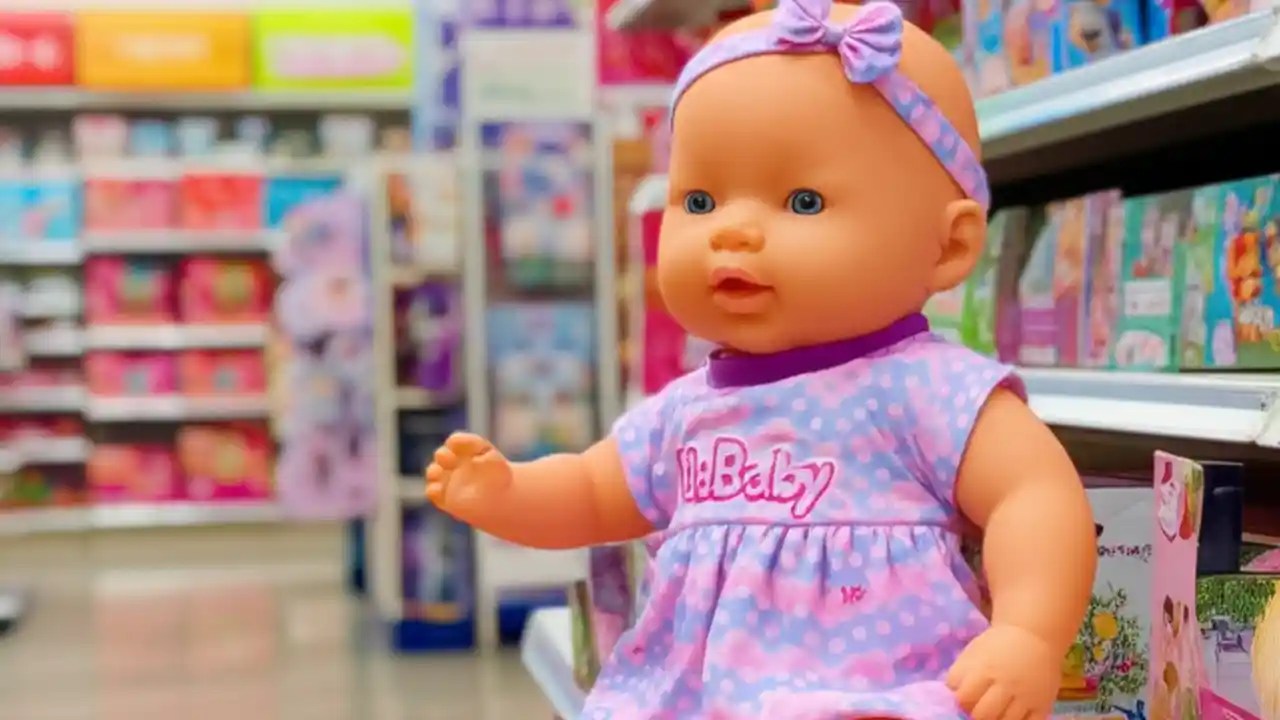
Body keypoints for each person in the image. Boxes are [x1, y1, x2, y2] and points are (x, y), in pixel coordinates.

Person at [427, 1, 1096, 717]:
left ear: (950, 246)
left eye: (803, 201)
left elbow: (1035, 496)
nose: (733, 232)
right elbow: (593, 493)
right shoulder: (689, 410)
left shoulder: (927, 390)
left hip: (874, 693)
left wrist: (1028, 633)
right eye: (701, 201)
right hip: (694, 701)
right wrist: (509, 495)